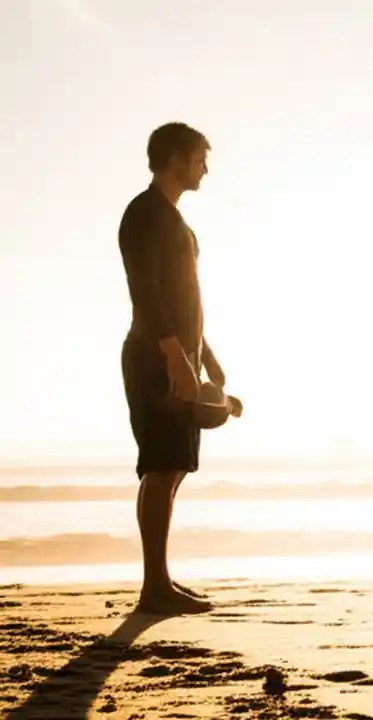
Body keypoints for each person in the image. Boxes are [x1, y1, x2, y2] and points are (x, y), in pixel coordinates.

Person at [118, 122, 225, 615]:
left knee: (175, 466)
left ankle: (158, 582)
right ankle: (154, 587)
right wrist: (176, 358)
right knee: (160, 465)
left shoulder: (179, 224)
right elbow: (148, 292)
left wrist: (208, 359)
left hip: (178, 355)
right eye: (201, 157)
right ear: (177, 158)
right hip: (152, 356)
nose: (206, 166)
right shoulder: (143, 216)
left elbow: (188, 300)